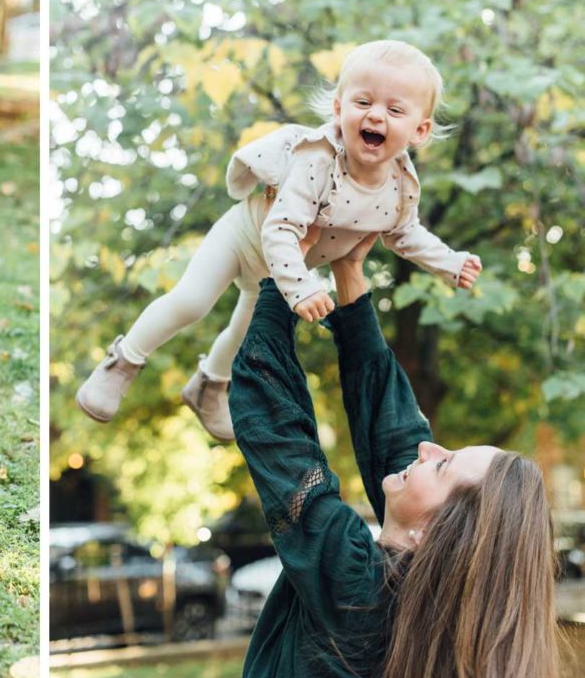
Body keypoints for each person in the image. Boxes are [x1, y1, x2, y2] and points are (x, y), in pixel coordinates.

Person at [76, 40, 482, 441]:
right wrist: (302, 287)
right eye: (363, 103)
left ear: (420, 130)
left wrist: (449, 262)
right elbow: (281, 228)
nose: (375, 116)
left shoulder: (400, 187)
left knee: (241, 332)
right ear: (339, 108)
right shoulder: (319, 160)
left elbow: (404, 233)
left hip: (282, 270)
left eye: (394, 110)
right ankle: (123, 362)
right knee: (192, 301)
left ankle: (207, 388)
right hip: (245, 240)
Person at [229, 229, 558, 678]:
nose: (428, 450)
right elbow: (399, 433)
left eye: (443, 465)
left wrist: (288, 269)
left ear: (433, 535)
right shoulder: (433, 612)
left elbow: (271, 419)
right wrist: (350, 276)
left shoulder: (356, 589)